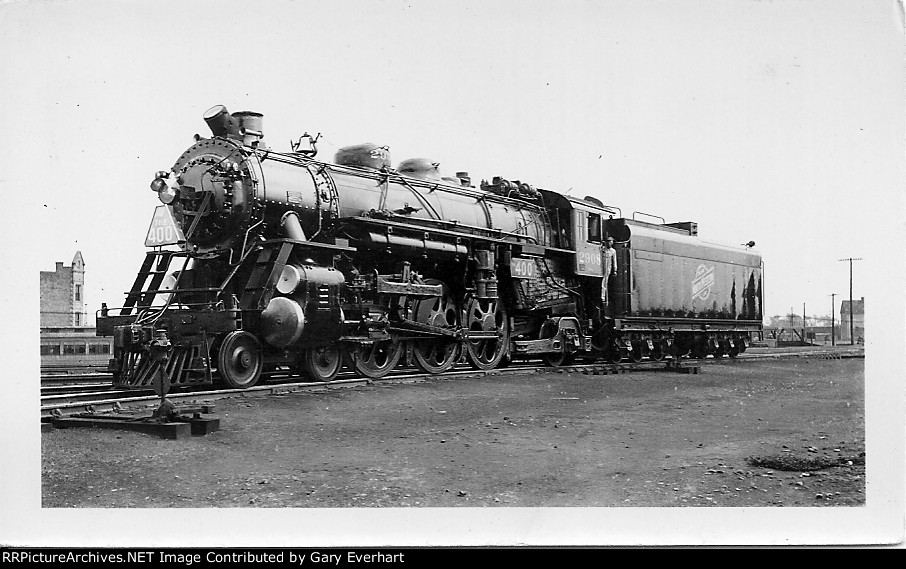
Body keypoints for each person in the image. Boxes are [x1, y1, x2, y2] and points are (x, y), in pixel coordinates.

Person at [601, 235, 617, 307]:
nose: (610, 243)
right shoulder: (603, 249)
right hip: (602, 265)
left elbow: (614, 261)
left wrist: (615, 270)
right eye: (608, 242)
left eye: (611, 242)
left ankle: (603, 296)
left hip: (608, 267)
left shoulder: (613, 251)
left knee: (605, 280)